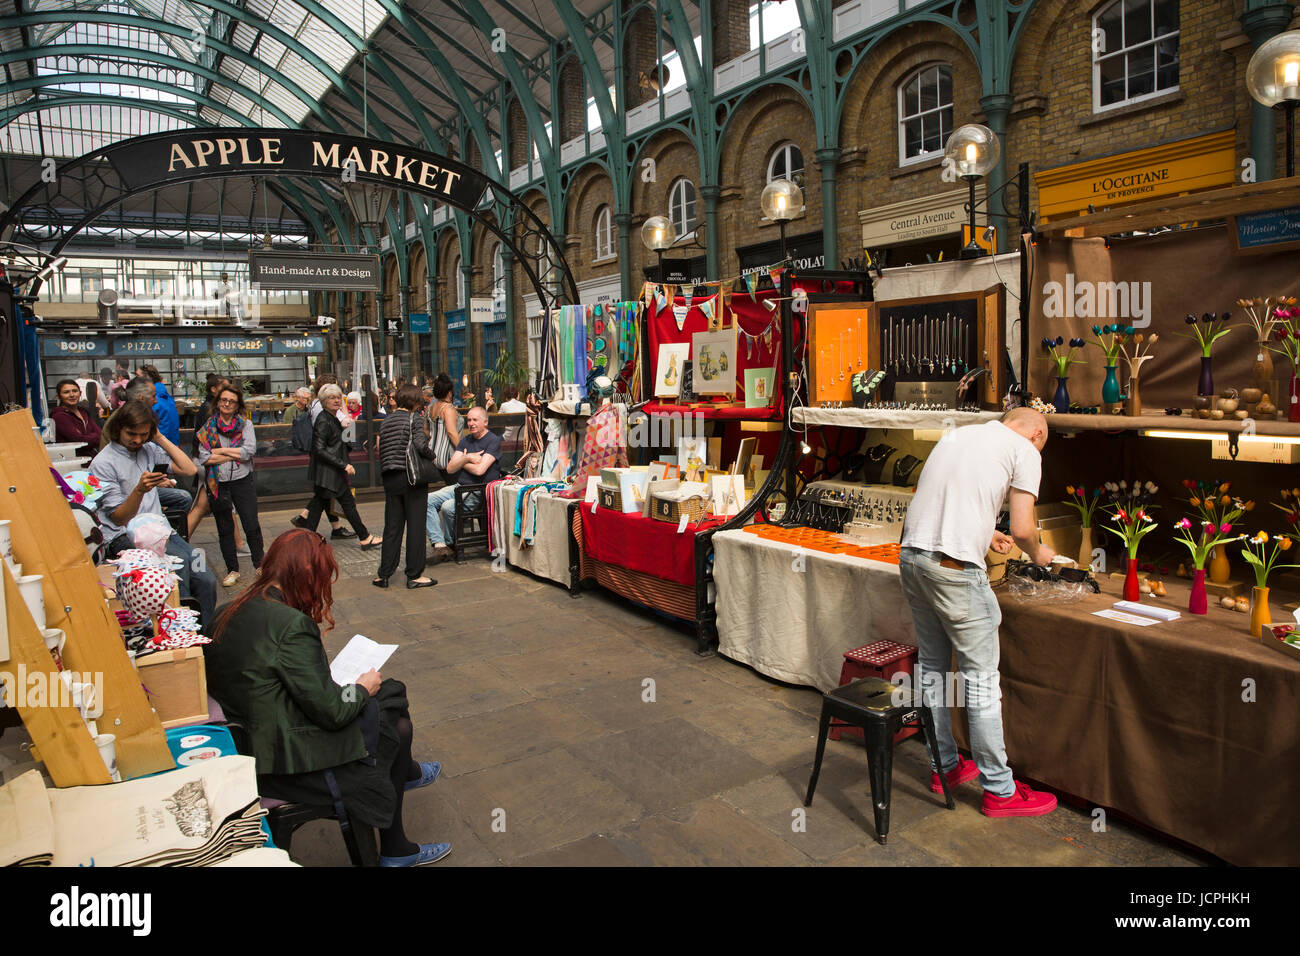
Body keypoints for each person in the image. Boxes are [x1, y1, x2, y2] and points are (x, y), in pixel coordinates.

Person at [205, 530, 450, 866]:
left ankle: (405, 775)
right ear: (309, 577)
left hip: (253, 729)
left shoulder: (226, 610)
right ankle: (396, 846)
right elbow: (332, 712)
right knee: (392, 718)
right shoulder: (290, 624)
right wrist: (362, 688)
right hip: (282, 753)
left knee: (392, 691)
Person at [899, 406, 1058, 818]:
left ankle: (944, 768)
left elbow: (943, 498)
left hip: (913, 558)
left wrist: (986, 530)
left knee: (934, 670)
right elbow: (1025, 528)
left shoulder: (958, 435)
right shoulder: (1026, 451)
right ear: (1037, 432)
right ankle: (1000, 791)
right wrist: (1040, 554)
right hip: (954, 571)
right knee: (982, 683)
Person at [89, 400, 219, 626]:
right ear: (118, 428)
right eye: (131, 434)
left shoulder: (148, 448)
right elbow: (119, 518)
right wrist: (140, 490)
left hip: (160, 531)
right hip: (125, 536)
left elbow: (189, 469)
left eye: (143, 434)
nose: (137, 440)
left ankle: (204, 636)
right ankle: (182, 633)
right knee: (179, 579)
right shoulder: (103, 463)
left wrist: (159, 438)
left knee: (205, 577)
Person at [196, 383, 265, 588]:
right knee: (225, 528)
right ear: (218, 403)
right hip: (218, 483)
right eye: (224, 400)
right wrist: (230, 453)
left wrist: (219, 452)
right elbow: (204, 458)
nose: (227, 404)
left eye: (232, 402)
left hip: (242, 481)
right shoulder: (208, 427)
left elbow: (248, 452)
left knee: (251, 524)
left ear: (237, 406)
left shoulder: (245, 425)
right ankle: (232, 570)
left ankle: (260, 565)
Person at [302, 384, 381, 548]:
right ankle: (364, 537)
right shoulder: (324, 420)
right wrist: (343, 465)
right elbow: (319, 449)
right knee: (346, 504)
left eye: (338, 397)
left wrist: (347, 420)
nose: (337, 400)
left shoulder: (332, 417)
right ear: (324, 401)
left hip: (329, 473)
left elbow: (345, 442)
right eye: (332, 398)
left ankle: (306, 541)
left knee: (321, 505)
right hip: (330, 473)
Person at [374, 385, 436, 590]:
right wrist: (432, 455)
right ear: (415, 400)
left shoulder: (386, 421)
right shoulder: (414, 419)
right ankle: (414, 574)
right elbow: (419, 445)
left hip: (390, 477)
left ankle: (383, 574)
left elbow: (381, 449)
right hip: (410, 477)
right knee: (416, 526)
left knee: (392, 527)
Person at [425, 406, 499, 559]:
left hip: (479, 491)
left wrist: (461, 461)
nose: (471, 423)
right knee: (427, 501)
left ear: (485, 422)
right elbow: (450, 468)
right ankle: (440, 545)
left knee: (448, 507)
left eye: (475, 420)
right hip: (459, 487)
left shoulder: (493, 441)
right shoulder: (466, 440)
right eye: (469, 420)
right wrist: (467, 458)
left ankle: (452, 543)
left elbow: (480, 471)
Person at [291, 374, 353, 539]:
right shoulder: (323, 410)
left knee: (325, 493)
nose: (337, 396)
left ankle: (324, 525)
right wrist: (345, 411)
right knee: (329, 492)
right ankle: (360, 534)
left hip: (328, 454)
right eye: (333, 393)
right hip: (330, 456)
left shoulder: (315, 405)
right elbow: (348, 427)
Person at [51, 379, 102, 456]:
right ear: (58, 396)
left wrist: (90, 438)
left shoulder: (84, 412)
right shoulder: (59, 416)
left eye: (75, 391)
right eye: (66, 392)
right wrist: (94, 437)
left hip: (91, 458)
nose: (72, 395)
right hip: (72, 460)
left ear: (80, 393)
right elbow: (78, 441)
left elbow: (100, 435)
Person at [139, 365, 180, 446]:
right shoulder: (166, 395)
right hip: (172, 445)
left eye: (137, 376)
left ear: (147, 377)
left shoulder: (153, 400)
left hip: (160, 448)